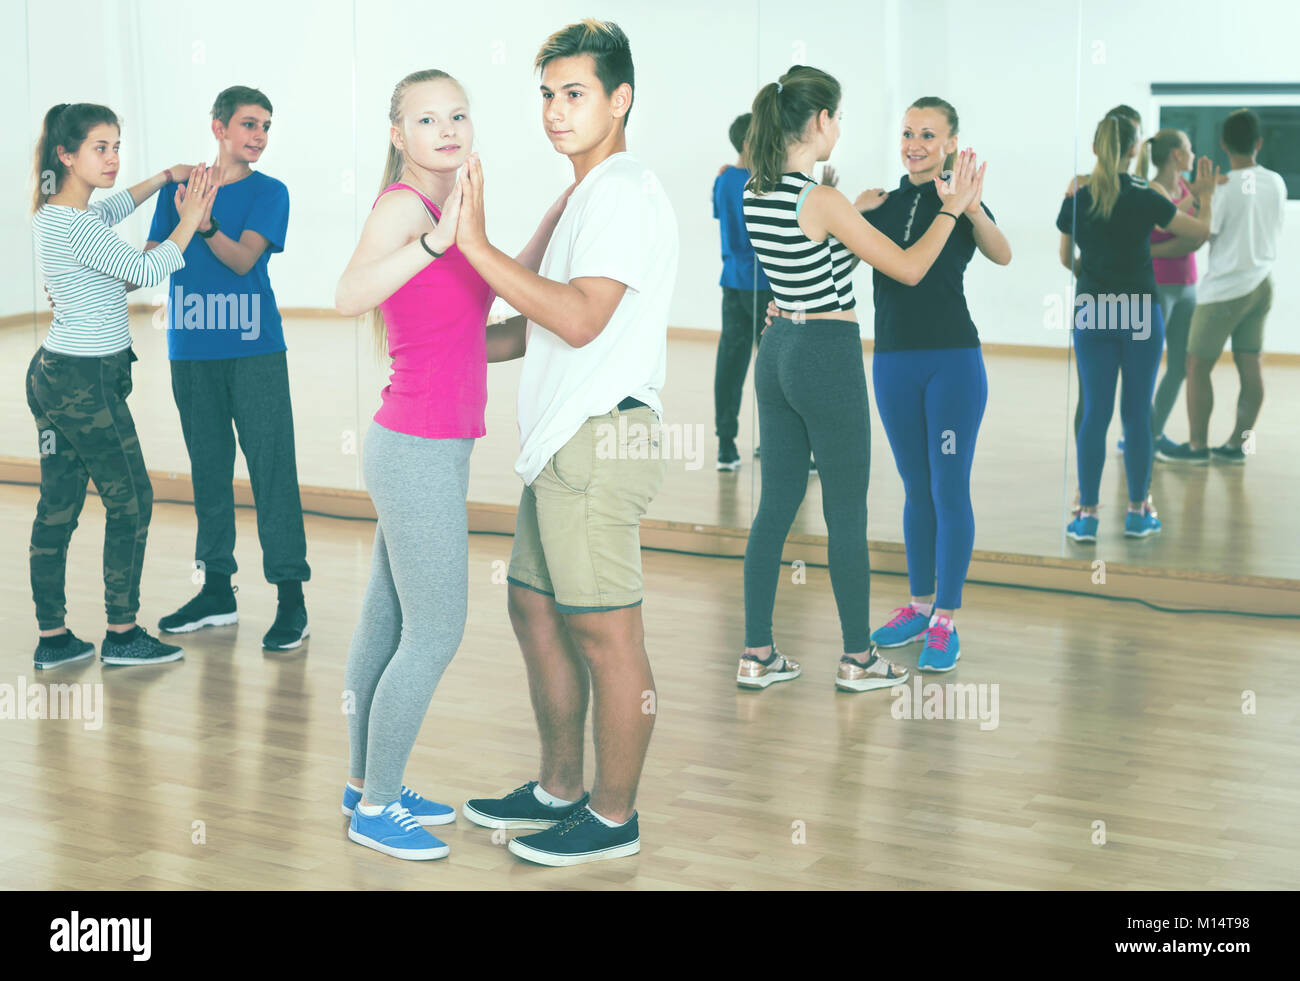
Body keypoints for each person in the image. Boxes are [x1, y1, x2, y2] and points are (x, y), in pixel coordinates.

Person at [455, 19, 679, 868]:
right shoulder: (591, 192)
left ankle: (613, 816)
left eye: (575, 93)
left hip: (597, 443)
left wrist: (474, 245)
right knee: (535, 607)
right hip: (559, 443)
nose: (555, 110)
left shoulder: (622, 191)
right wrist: (456, 344)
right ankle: (558, 789)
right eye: (547, 94)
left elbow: (581, 318)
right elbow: (540, 325)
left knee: (605, 633)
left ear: (620, 99)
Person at [333, 70, 571, 861]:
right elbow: (347, 293)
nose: (447, 128)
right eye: (427, 118)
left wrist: (545, 224)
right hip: (415, 449)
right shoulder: (407, 207)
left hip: (428, 446)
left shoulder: (457, 200)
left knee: (388, 619)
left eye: (458, 114)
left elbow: (483, 308)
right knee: (436, 628)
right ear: (398, 135)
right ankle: (376, 805)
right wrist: (436, 239)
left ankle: (368, 781)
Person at [736, 66, 979, 694]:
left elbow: (810, 257)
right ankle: (857, 660)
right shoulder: (822, 200)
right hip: (825, 354)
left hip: (778, 349)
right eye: (837, 117)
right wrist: (951, 211)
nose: (839, 128)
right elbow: (908, 269)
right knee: (847, 512)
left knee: (775, 509)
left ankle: (757, 655)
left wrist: (855, 211)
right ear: (819, 123)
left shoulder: (754, 191)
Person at [27, 102, 215, 669]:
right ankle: (122, 632)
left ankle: (54, 637)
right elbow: (145, 273)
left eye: (116, 146)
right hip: (85, 383)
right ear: (66, 154)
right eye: (99, 148)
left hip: (54, 376)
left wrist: (162, 178)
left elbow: (110, 209)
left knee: (58, 506)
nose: (111, 158)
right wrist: (192, 214)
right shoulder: (76, 225)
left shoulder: (56, 213)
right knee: (132, 500)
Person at [145, 86, 310, 651]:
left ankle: (292, 599)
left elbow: (242, 261)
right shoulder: (176, 191)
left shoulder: (271, 192)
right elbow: (148, 260)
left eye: (265, 126)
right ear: (218, 127)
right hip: (190, 353)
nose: (258, 135)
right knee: (209, 472)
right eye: (247, 124)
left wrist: (207, 222)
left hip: (255, 351)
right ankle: (217, 591)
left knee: (272, 472)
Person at [854, 97, 1011, 673]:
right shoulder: (880, 204)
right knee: (915, 487)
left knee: (948, 487)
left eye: (927, 134)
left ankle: (946, 618)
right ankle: (918, 604)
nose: (913, 143)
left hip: (952, 362)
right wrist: (853, 208)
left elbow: (1002, 254)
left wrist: (967, 207)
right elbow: (828, 260)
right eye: (906, 133)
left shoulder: (961, 204)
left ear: (950, 144)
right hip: (894, 360)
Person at [1057, 113, 1215, 543]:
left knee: (1094, 413)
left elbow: (1066, 259)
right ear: (1133, 150)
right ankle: (1137, 512)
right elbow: (1200, 233)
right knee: (1135, 415)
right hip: (1140, 312)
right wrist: (1203, 196)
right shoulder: (1146, 196)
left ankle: (1086, 515)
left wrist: (1092, 279)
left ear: (1095, 148)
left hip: (1092, 310)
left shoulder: (1077, 198)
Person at [1162, 109, 1286, 465]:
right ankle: (1236, 445)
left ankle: (1198, 447)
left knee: (1196, 366)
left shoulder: (1223, 188)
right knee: (1251, 366)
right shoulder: (1276, 183)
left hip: (1223, 293)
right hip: (1261, 285)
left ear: (1223, 144)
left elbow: (1201, 236)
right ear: (1259, 144)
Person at [1130, 128, 1203, 460]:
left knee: (1179, 366)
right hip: (1159, 286)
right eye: (1188, 148)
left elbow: (1197, 237)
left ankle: (1152, 431)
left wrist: (1198, 199)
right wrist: (1196, 200)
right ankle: (1140, 433)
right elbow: (1162, 226)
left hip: (1188, 285)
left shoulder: (1186, 188)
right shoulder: (1152, 188)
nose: (1192, 152)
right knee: (1146, 364)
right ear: (1176, 154)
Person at [712, 113, 771, 471]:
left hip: (732, 284)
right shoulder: (762, 182)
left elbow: (721, 216)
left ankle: (726, 447)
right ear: (749, 143)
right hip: (764, 288)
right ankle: (775, 443)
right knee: (774, 369)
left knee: (730, 365)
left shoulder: (722, 181)